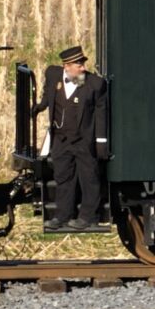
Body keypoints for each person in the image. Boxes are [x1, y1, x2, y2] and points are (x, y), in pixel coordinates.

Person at [44, 44, 110, 231]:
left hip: (83, 140)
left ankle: (88, 216)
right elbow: (48, 92)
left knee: (89, 178)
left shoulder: (93, 84)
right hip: (61, 140)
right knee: (64, 178)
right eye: (78, 64)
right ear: (67, 66)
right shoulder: (53, 75)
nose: (83, 68)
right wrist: (40, 105)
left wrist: (101, 142)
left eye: (83, 64)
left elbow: (100, 113)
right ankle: (62, 215)